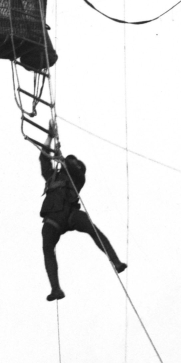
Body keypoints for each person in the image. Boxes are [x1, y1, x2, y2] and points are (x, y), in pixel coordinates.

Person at [40, 123, 127, 301]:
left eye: (75, 162)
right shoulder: (53, 176)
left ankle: (115, 261)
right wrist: (49, 138)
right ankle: (56, 289)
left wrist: (63, 158)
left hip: (71, 214)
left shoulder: (78, 177)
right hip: (53, 219)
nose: (72, 163)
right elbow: (43, 159)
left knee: (91, 228)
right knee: (47, 247)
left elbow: (72, 169)